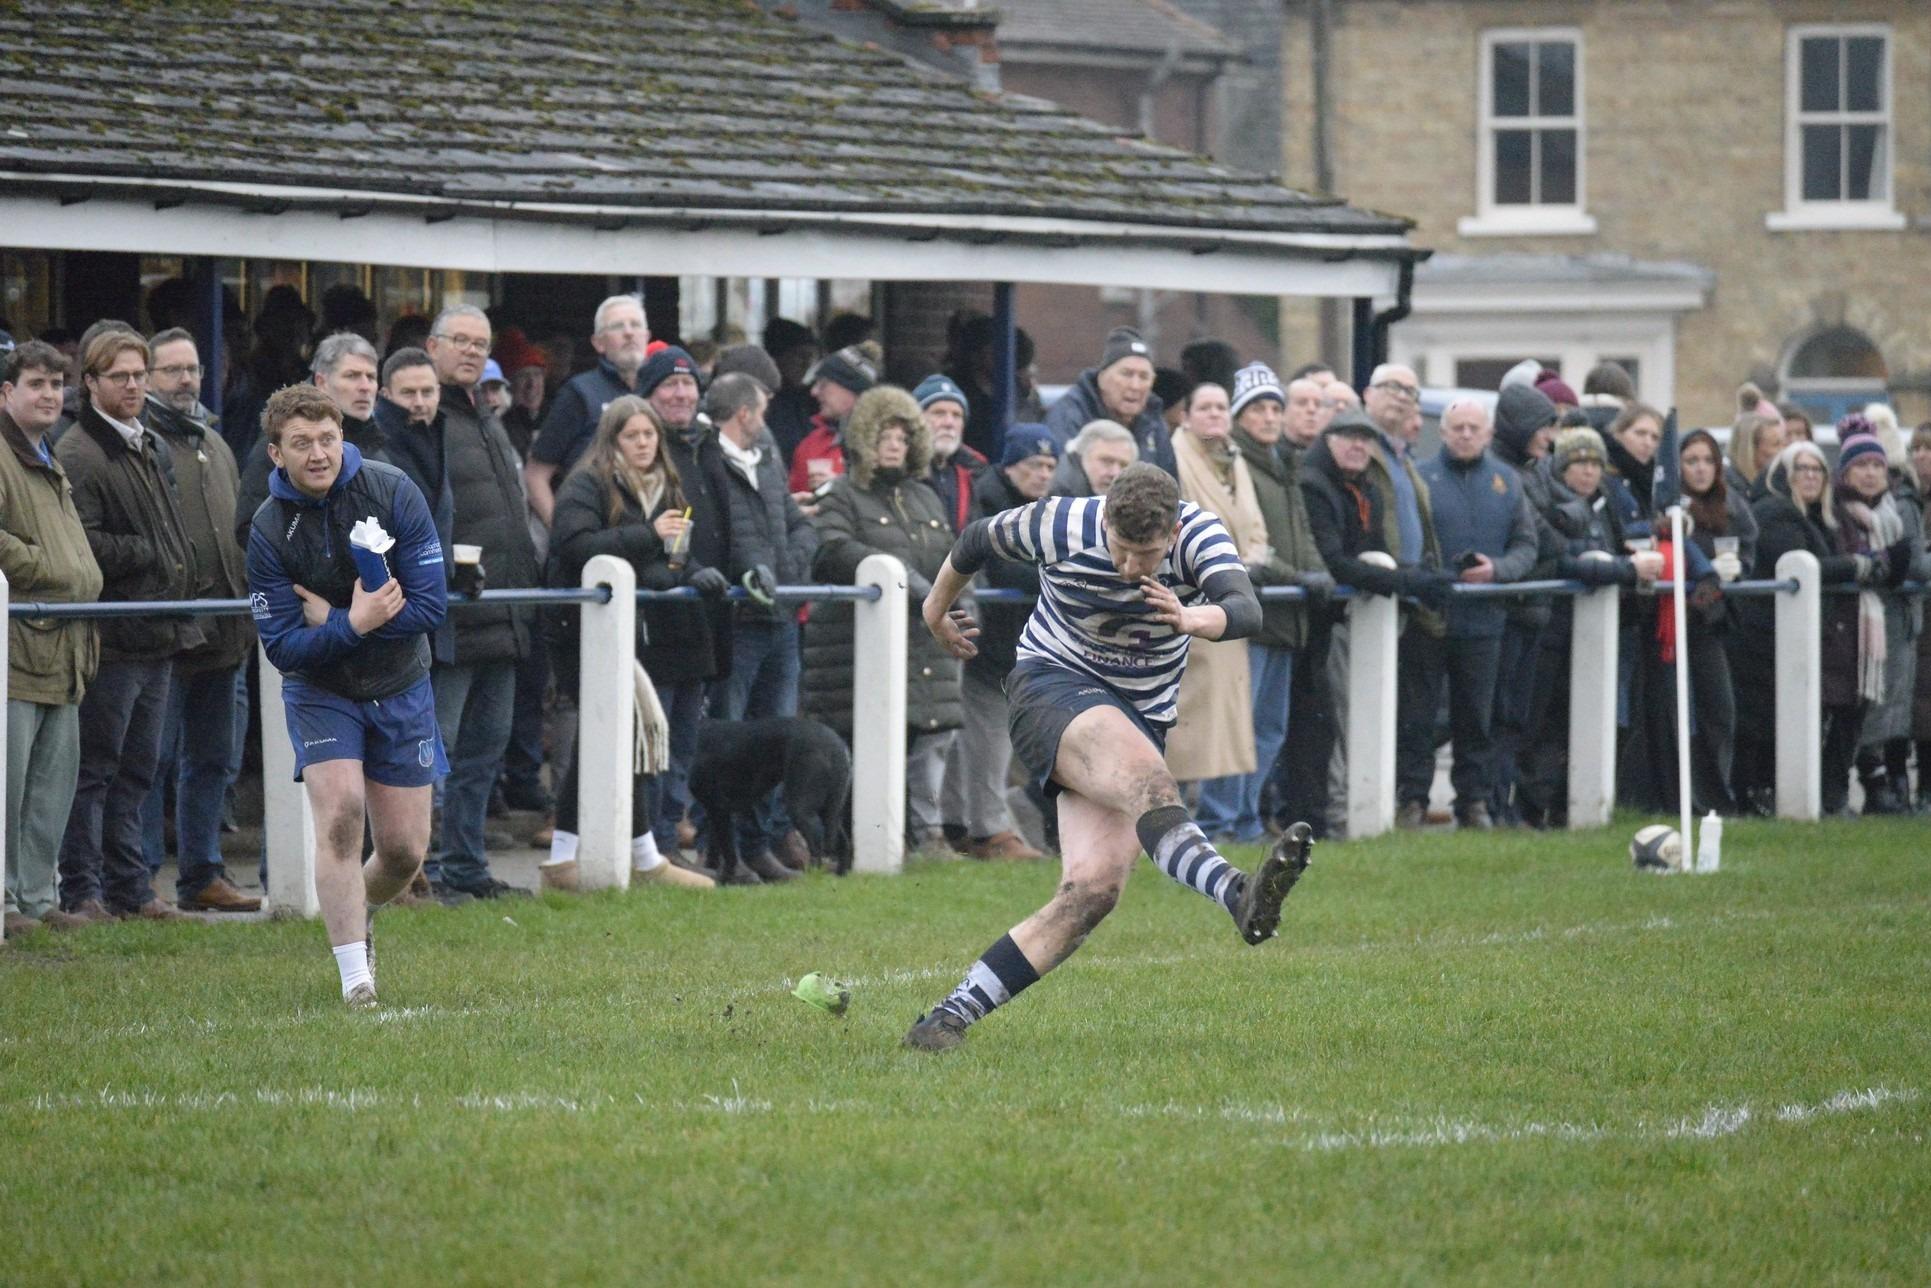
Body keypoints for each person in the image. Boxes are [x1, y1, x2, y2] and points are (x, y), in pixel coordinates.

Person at [903, 463, 1297, 1052]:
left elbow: (1245, 608)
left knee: (1091, 892)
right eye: (1121, 548)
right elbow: (976, 538)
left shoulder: (1198, 534)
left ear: (1170, 535)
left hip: (1137, 718)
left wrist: (1194, 617)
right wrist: (936, 612)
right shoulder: (1061, 521)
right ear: (1104, 519)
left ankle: (945, 1019)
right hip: (1050, 685)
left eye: (1147, 554)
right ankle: (1236, 893)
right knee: (1153, 787)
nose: (1132, 567)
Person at [246, 384, 446, 1007]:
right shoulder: (268, 528)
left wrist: (336, 617)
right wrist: (353, 624)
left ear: (343, 438)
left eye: (327, 439)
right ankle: (355, 979)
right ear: (276, 453)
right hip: (321, 690)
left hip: (399, 683)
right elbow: (282, 647)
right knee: (338, 815)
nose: (318, 453)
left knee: (405, 853)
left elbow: (431, 605)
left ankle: (358, 913)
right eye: (301, 443)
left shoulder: (392, 491)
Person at [542, 396, 722, 889]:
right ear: (612, 440)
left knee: (617, 738)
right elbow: (574, 546)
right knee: (610, 736)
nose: (643, 444)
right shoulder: (586, 482)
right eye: (632, 436)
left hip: (634, 630)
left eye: (650, 435)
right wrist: (650, 535)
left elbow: (670, 562)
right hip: (578, 628)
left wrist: (692, 571)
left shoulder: (668, 486)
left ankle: (591, 858)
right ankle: (624, 857)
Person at [54, 331, 204, 923]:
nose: (134, 385)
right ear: (90, 383)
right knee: (95, 768)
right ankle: (84, 890)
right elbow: (81, 542)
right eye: (120, 376)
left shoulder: (149, 444)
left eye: (140, 374)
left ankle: (132, 887)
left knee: (142, 767)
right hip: (113, 637)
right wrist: (146, 552)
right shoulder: (79, 452)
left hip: (157, 631)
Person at [803, 386, 961, 848]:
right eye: (884, 435)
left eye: (903, 436)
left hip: (922, 646)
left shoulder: (926, 498)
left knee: (919, 743)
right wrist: (902, 578)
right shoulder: (842, 494)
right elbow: (831, 550)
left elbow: (951, 559)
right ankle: (854, 846)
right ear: (863, 440)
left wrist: (961, 606)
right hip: (856, 648)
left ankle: (914, 840)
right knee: (863, 752)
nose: (894, 444)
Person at [138, 328, 259, 912]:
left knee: (214, 760)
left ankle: (201, 875)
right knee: (151, 762)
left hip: (225, 631)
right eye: (172, 371)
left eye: (193, 369)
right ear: (149, 377)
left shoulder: (215, 441)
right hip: (168, 632)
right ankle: (137, 882)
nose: (186, 380)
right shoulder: (142, 442)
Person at [423, 305, 540, 899]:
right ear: (433, 346)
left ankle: (467, 867)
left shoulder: (489, 419)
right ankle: (430, 872)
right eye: (460, 341)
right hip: (452, 615)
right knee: (437, 754)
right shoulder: (426, 423)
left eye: (480, 343)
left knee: (483, 754)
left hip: (505, 612)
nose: (470, 351)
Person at [1733, 438, 1902, 816]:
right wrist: (1858, 564)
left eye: (1816, 470)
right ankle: (1760, 795)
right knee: (1765, 724)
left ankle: (1806, 795)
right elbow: (1799, 563)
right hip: (1765, 634)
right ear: (1783, 475)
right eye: (1801, 469)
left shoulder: (1813, 515)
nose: (1810, 477)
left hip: (1797, 634)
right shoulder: (1776, 511)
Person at [1197, 362, 1330, 844]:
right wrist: (1300, 577)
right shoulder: (1239, 465)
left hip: (1284, 617)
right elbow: (1253, 546)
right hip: (1254, 615)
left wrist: (1319, 573)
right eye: (1258, 408)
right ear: (1239, 416)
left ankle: (1246, 817)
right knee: (1237, 725)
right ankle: (1219, 819)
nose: (1270, 417)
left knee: (1268, 729)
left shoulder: (1285, 464)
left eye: (1276, 407)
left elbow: (1302, 535)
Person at [2, 341, 103, 934]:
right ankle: (6, 903)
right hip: (14, 648)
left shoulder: (47, 454)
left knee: (50, 790)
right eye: (36, 383)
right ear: (5, 392)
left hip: (65, 648)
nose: (50, 395)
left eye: (56, 383)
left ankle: (39, 900)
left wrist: (72, 573)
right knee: (7, 786)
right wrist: (52, 569)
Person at [1518, 427, 1662, 828]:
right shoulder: (1553, 506)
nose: (1588, 472)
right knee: (1541, 722)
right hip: (1552, 628)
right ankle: (1532, 808)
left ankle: (1566, 803)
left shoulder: (1604, 506)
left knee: (1577, 721)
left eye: (1596, 463)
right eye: (1579, 462)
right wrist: (1625, 568)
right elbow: (1564, 558)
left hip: (1593, 631)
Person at [1408, 399, 1540, 830]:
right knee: (1420, 717)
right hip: (1429, 618)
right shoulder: (1421, 478)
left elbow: (1527, 545)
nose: (1465, 434)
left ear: (1486, 435)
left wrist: (1497, 570)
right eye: (1457, 427)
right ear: (1443, 433)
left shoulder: (1507, 481)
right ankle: (1411, 799)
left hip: (1485, 620)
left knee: (1478, 719)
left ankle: (1474, 803)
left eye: (1473, 428)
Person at [705, 372, 819, 874]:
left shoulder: (766, 460)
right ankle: (724, 850)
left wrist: (788, 571)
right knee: (730, 744)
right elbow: (722, 538)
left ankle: (755, 848)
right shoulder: (707, 460)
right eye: (763, 410)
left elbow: (799, 526)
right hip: (737, 623)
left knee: (774, 742)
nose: (767, 419)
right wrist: (757, 570)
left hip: (779, 618)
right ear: (745, 414)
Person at [944, 426, 1061, 861]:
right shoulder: (989, 499)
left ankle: (971, 826)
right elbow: (1003, 569)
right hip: (983, 641)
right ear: (1010, 465)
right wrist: (1057, 570)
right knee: (983, 740)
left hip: (1013, 645)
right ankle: (986, 830)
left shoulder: (1047, 506)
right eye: (1034, 465)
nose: (1043, 474)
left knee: (985, 740)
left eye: (1050, 466)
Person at [1164, 383, 1264, 822]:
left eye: (1222, 407)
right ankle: (1180, 818)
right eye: (1204, 407)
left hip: (1229, 598)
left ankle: (1219, 820)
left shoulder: (1234, 459)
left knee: (1224, 727)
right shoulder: (1175, 456)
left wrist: (1247, 563)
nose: (1214, 415)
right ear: (1186, 415)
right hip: (1194, 600)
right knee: (1186, 728)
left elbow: (1255, 528)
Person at [1843, 422, 1930, 813]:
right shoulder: (1839, 511)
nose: (1870, 472)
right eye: (1861, 465)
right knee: (1860, 707)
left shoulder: (1899, 510)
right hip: (1851, 624)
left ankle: (1889, 787)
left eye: (1876, 465)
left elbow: (1908, 561)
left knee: (1892, 705)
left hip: (1896, 622)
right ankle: (1865, 785)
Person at [237, 332, 388, 542]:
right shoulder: (283, 440)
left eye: (371, 377)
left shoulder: (378, 444)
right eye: (352, 376)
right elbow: (250, 527)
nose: (365, 387)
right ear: (321, 381)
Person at [1677, 429, 1757, 814]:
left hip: (1717, 624)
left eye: (1708, 460)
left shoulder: (1733, 507)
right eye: (1692, 461)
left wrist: (1738, 570)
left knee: (1720, 713)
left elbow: (1750, 552)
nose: (1701, 469)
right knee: (1683, 713)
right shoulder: (1673, 508)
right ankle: (1684, 796)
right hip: (1677, 621)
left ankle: (1715, 796)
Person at [524, 294, 651, 526]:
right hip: (591, 536)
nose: (629, 332)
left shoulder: (658, 392)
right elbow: (536, 475)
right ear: (598, 342)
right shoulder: (579, 392)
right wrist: (565, 533)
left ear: (647, 337)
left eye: (636, 325)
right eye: (617, 326)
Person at [1043, 327, 1176, 476]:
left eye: (1144, 377)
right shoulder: (1070, 415)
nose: (1135, 386)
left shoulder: (1153, 421)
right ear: (1102, 378)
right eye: (1126, 374)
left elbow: (1170, 481)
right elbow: (1063, 481)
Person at [787, 342, 879, 496]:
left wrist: (841, 488)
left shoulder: (886, 443)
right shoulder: (809, 445)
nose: (814, 392)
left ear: (851, 388)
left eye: (823, 385)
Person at [916, 374, 987, 534]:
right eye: (939, 413)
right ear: (917, 420)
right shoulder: (901, 470)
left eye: (957, 415)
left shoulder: (976, 473)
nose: (949, 423)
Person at [760, 318, 820, 457]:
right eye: (800, 356)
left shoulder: (809, 399)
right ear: (777, 356)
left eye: (810, 357)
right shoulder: (763, 400)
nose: (806, 364)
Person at [1049, 419, 1137, 498]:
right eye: (1107, 461)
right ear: (1081, 454)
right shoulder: (1060, 491)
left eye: (1123, 465)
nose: (1115, 473)